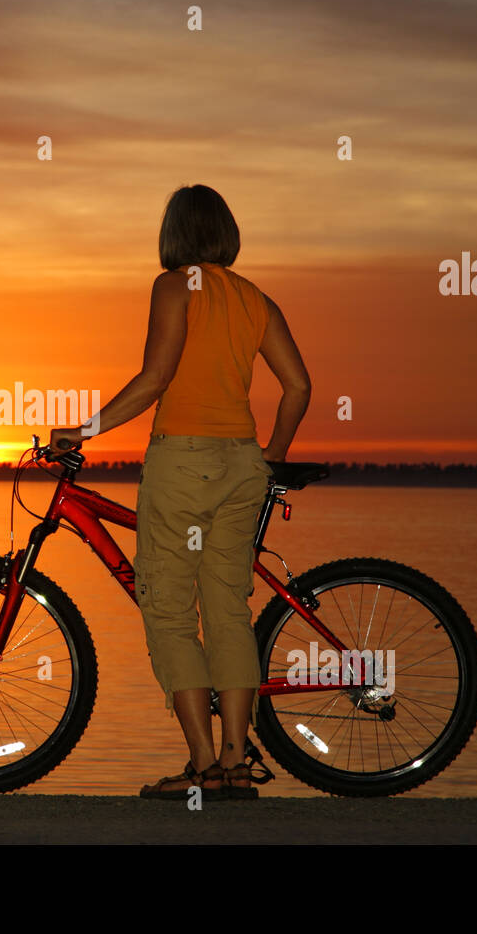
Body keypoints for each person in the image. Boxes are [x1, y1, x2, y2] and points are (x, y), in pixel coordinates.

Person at [50, 184, 310, 800]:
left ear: (174, 233)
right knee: (227, 612)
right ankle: (236, 763)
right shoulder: (256, 299)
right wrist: (270, 457)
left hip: (183, 462)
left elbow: (156, 379)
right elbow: (298, 387)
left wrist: (81, 431)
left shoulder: (172, 286)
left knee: (167, 609)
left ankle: (203, 767)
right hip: (243, 465)